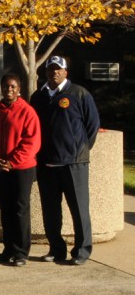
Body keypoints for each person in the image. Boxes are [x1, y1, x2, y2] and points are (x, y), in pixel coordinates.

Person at [30, 55, 100, 265]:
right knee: (50, 210)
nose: (55, 72)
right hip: (47, 164)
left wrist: (79, 150)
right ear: (46, 72)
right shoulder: (38, 97)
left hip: (73, 163)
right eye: (51, 69)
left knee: (79, 209)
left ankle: (82, 251)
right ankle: (56, 249)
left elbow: (92, 125)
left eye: (58, 69)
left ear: (66, 72)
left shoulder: (79, 93)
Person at [0, 73, 41, 267]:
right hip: (0, 167)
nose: (8, 89)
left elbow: (32, 142)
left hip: (22, 168)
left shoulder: (27, 112)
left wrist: (12, 162)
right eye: (5, 86)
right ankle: (8, 249)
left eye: (12, 86)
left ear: (19, 89)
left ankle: (21, 252)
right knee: (6, 208)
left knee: (20, 209)